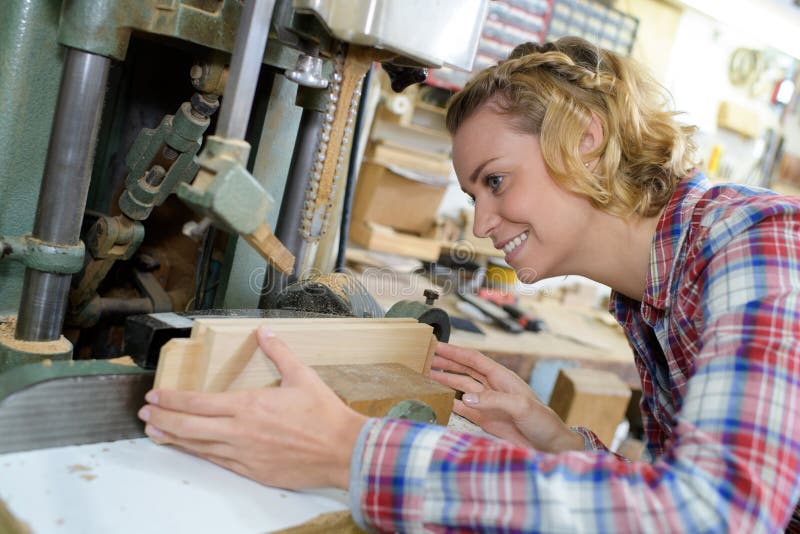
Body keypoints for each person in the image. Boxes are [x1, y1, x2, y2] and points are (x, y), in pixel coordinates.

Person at [137, 36, 800, 532]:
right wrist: (552, 437)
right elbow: (673, 494)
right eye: (472, 193)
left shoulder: (757, 246)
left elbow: (715, 515)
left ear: (587, 140)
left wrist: (352, 452)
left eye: (497, 180)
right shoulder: (646, 300)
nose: (482, 224)